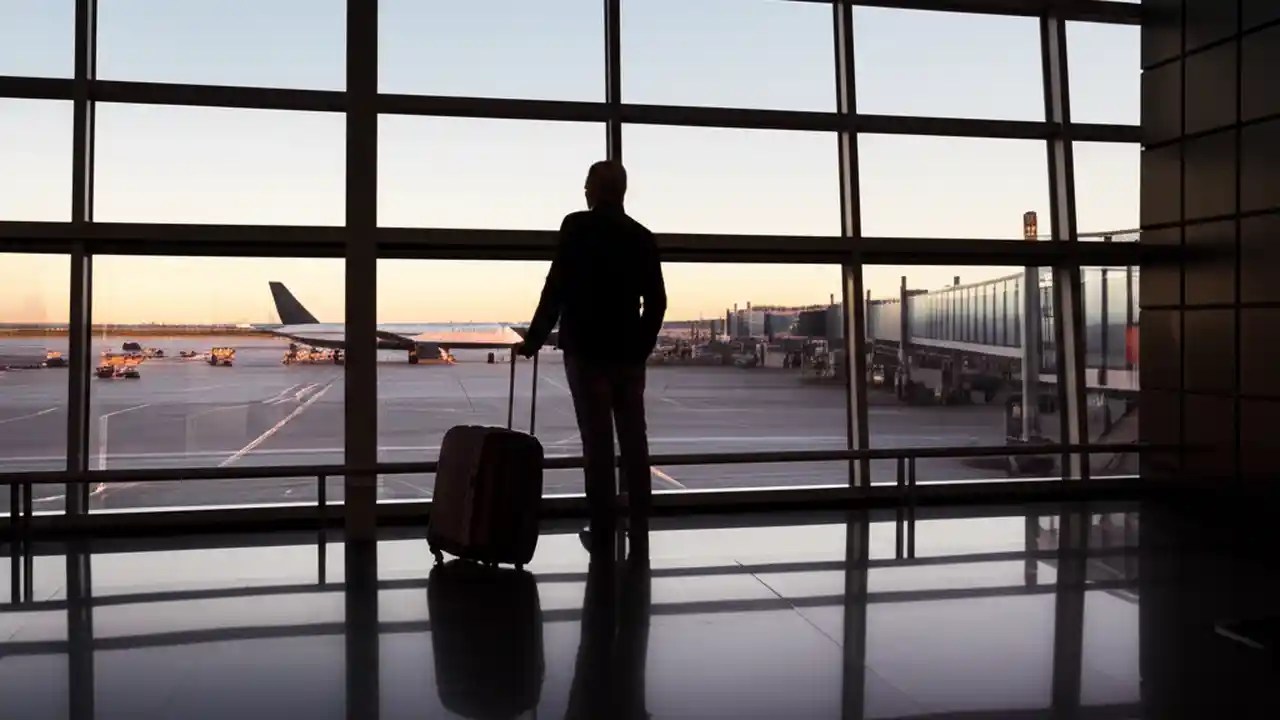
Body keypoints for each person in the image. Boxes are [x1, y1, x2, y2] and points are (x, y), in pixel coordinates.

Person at [518, 160, 666, 555]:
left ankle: (602, 525)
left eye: (587, 185)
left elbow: (556, 287)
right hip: (627, 353)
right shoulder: (641, 237)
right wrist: (641, 347)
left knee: (597, 443)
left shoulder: (577, 227)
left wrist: (533, 339)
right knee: (635, 440)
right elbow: (656, 302)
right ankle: (639, 523)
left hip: (586, 349)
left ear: (594, 190)